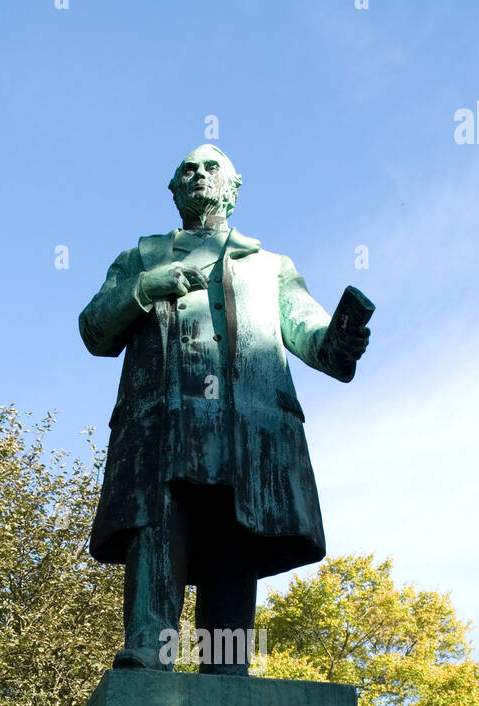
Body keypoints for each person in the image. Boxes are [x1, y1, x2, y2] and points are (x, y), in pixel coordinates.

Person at [79, 145, 371, 675]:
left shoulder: (270, 267)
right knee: (157, 521)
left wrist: (341, 340)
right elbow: (95, 330)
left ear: (234, 188)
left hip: (247, 428)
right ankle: (149, 649)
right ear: (172, 189)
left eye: (212, 167)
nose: (199, 175)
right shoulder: (139, 258)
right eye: (187, 169)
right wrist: (145, 288)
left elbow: (312, 336)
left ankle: (228, 666)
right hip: (163, 421)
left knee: (238, 529)